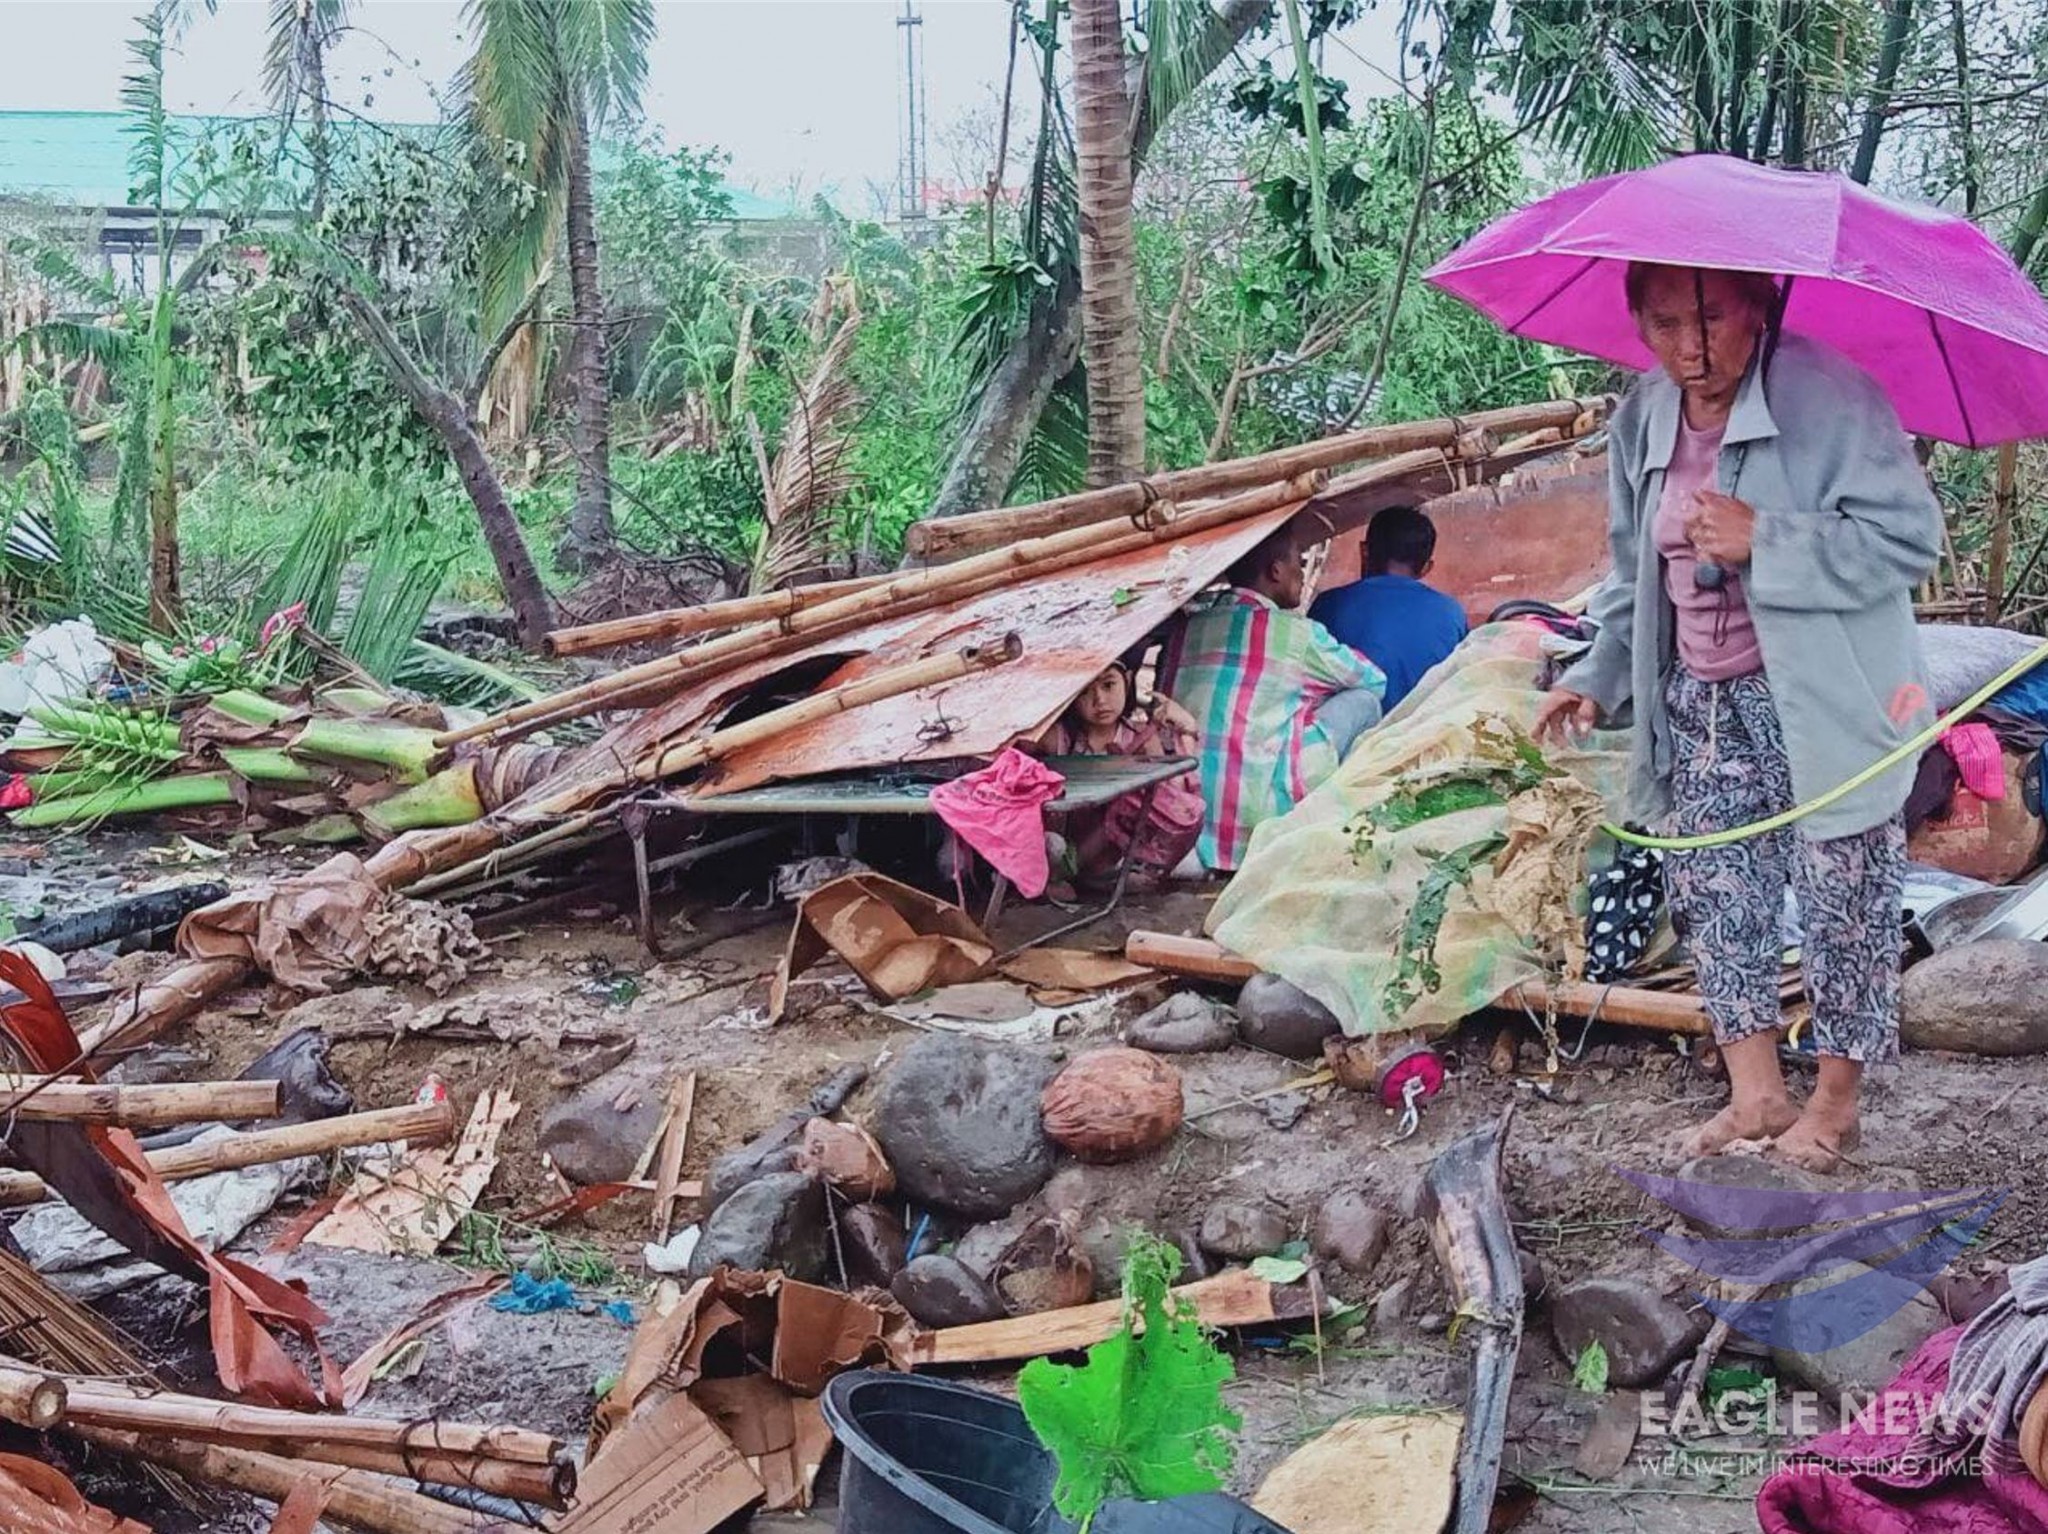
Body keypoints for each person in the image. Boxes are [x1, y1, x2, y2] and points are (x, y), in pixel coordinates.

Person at [1534, 261, 1939, 1174]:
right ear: (1638, 321)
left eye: (1714, 317)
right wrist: (1596, 673)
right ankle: (1756, 1094)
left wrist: (1770, 539)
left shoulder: (1829, 397)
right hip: (1701, 693)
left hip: (1822, 695)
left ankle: (1835, 1107)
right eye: (1668, 322)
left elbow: (1909, 539)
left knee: (1845, 894)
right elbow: (1633, 563)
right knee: (1719, 893)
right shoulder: (1644, 415)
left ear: (1760, 304)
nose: (1693, 347)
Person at [1176, 524, 1386, 873]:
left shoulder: (1190, 624)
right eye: (1298, 563)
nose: (1301, 574)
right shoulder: (1298, 634)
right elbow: (1374, 680)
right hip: (1258, 821)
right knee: (1363, 702)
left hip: (1188, 814)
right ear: (1276, 571)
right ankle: (1334, 826)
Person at [1037, 663, 1204, 890]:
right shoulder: (1061, 738)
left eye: (1109, 685)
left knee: (1140, 796)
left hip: (1115, 851)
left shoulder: (1141, 738)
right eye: (1084, 691)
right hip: (1063, 838)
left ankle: (1075, 869)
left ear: (1127, 680)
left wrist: (1187, 730)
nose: (1100, 701)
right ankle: (1054, 870)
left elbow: (1170, 794)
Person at [1309, 505, 1469, 711]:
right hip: (1424, 736)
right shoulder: (1451, 613)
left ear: (1364, 551)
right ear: (1426, 567)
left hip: (1347, 738)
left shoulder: (1328, 605)